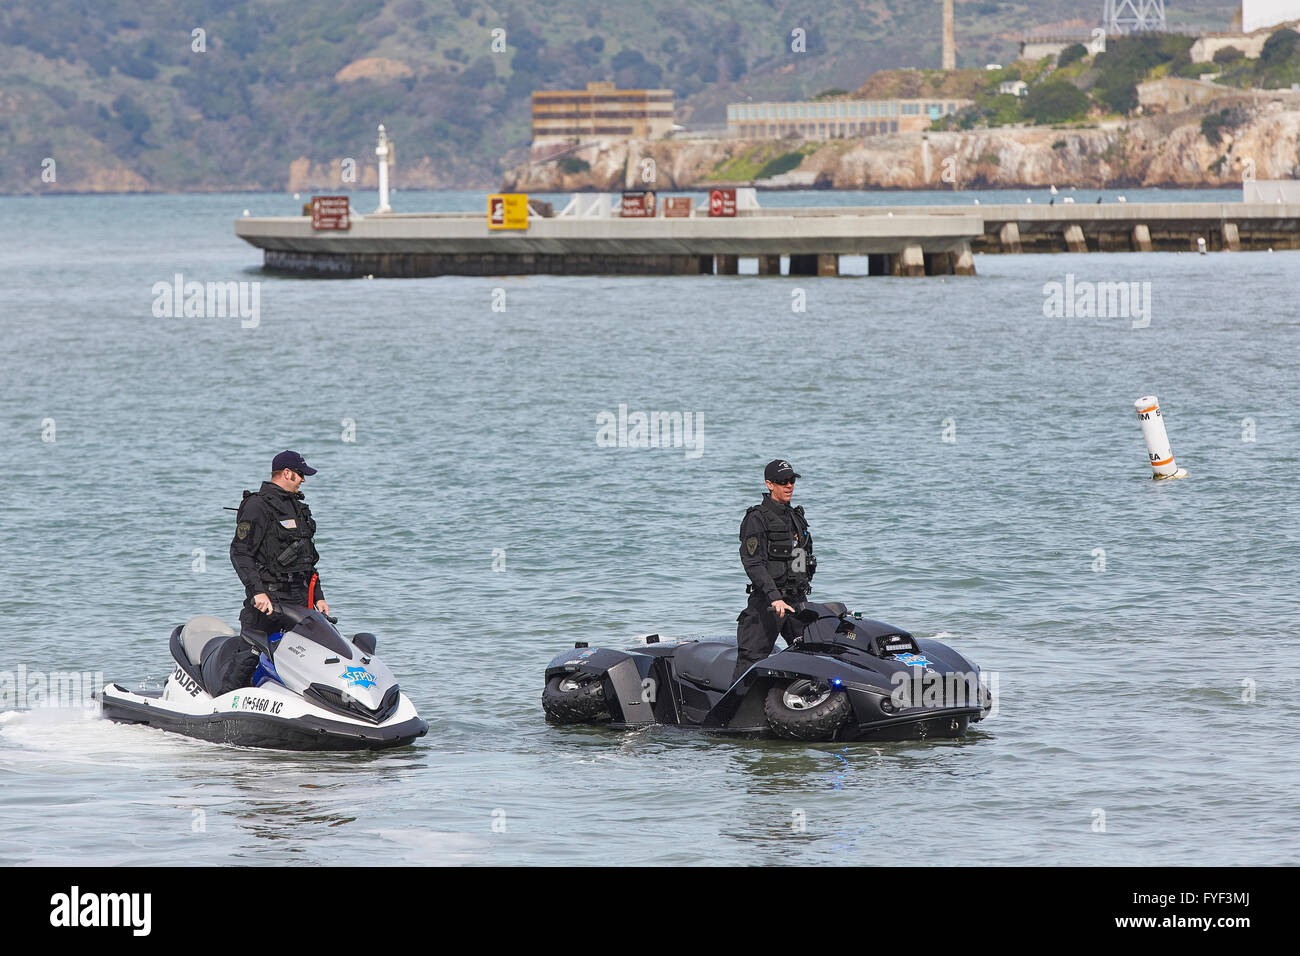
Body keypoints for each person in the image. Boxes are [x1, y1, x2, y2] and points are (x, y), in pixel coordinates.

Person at [207, 451, 330, 695]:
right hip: (268, 601)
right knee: (249, 657)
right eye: (300, 475)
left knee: (306, 658)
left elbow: (307, 561)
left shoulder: (298, 508)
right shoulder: (257, 506)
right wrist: (258, 592)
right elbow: (240, 553)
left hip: (299, 600)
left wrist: (318, 596)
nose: (303, 480)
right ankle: (220, 706)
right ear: (286, 473)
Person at [731, 459, 816, 685]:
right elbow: (753, 563)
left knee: (812, 654)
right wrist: (774, 597)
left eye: (791, 481)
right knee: (751, 660)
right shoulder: (756, 518)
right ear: (769, 484)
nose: (789, 486)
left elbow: (801, 557)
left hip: (796, 600)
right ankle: (730, 715)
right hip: (768, 603)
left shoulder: (796, 516)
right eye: (782, 482)